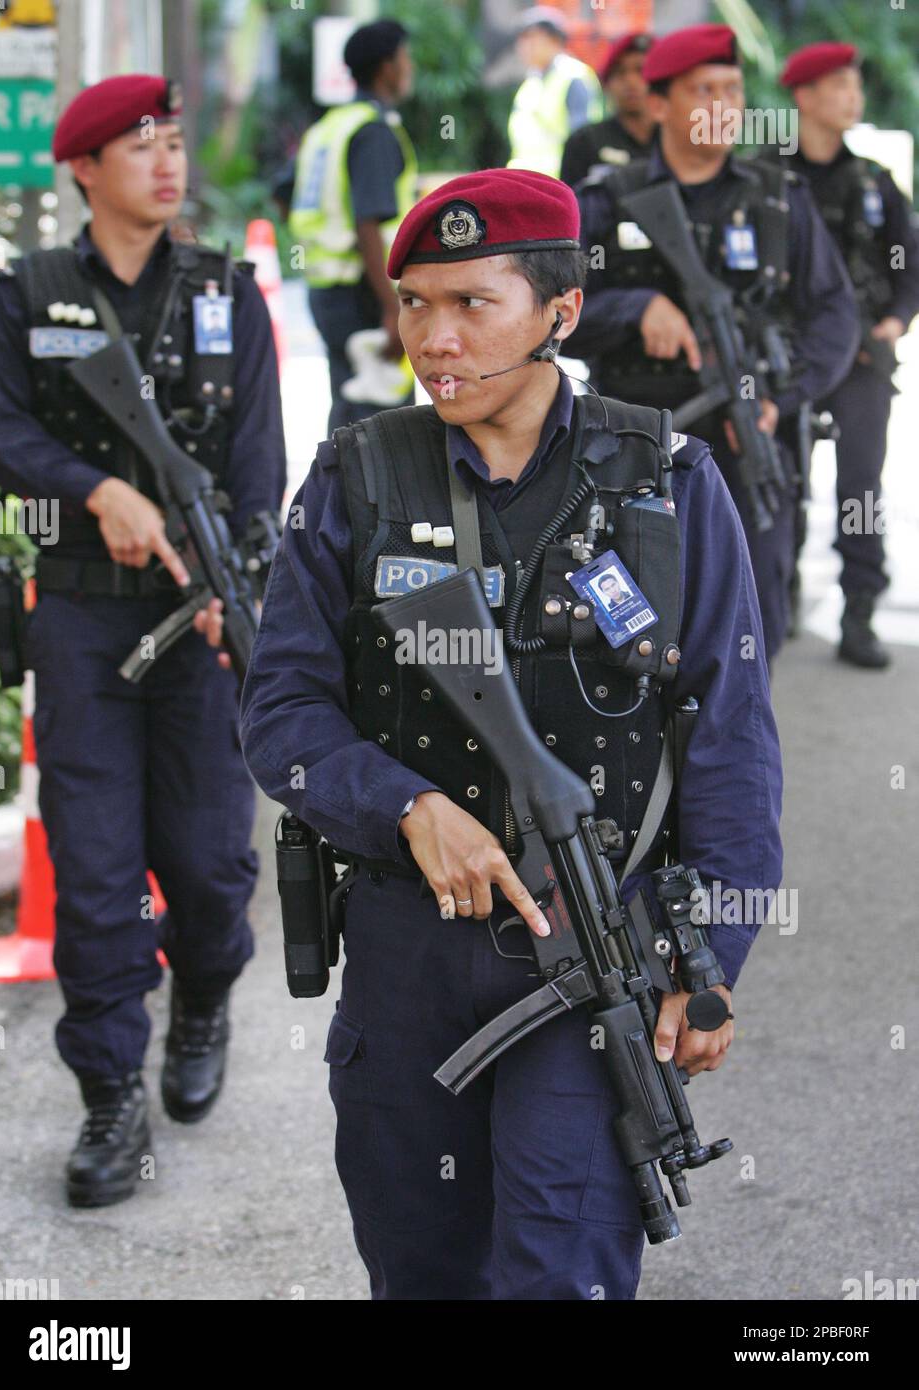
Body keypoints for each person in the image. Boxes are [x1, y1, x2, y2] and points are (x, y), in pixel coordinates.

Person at [240, 167, 783, 1300]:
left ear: (560, 313)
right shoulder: (354, 476)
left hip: (596, 952)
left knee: (558, 1271)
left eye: (470, 305)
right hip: (408, 953)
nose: (432, 338)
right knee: (421, 1268)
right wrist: (405, 807)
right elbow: (281, 713)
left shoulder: (670, 484)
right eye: (413, 304)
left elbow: (728, 740)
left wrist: (708, 964)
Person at [0, 75, 286, 1207]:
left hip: (195, 613)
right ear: (84, 169)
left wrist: (235, 587)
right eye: (137, 144)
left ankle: (201, 992)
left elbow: (259, 462)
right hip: (78, 618)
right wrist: (92, 486)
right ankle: (111, 1096)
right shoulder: (30, 293)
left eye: (171, 140)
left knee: (207, 861)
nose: (166, 160)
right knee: (99, 871)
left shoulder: (227, 293)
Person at [567, 23, 859, 664]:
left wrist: (784, 398)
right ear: (659, 103)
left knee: (753, 630)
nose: (725, 107)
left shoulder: (778, 200)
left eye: (734, 90)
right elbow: (550, 314)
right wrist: (633, 308)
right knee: (627, 627)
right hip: (631, 449)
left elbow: (835, 313)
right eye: (705, 91)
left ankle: (734, 761)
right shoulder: (607, 202)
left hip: (749, 441)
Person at [776, 43, 919, 668]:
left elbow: (910, 256)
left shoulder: (873, 181)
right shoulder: (768, 177)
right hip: (787, 356)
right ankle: (778, 596)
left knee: (860, 485)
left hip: (862, 357)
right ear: (803, 96)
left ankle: (859, 611)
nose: (853, 96)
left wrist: (895, 321)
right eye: (838, 85)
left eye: (855, 85)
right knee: (781, 480)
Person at [290, 19, 417, 433]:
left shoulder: (328, 128)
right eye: (405, 57)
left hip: (328, 290)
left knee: (349, 406)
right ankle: (364, 500)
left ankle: (339, 496)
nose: (409, 67)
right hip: (364, 291)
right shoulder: (373, 131)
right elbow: (368, 222)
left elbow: (283, 189)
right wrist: (391, 306)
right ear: (387, 66)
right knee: (379, 417)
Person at [507, 7, 603, 178]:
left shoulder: (573, 77)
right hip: (525, 183)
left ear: (555, 41)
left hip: (558, 186)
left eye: (532, 38)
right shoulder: (530, 84)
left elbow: (580, 140)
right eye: (523, 39)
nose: (525, 46)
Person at [560, 32, 656, 186]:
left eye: (641, 70)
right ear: (606, 84)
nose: (631, 82)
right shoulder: (584, 142)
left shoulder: (677, 141)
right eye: (620, 72)